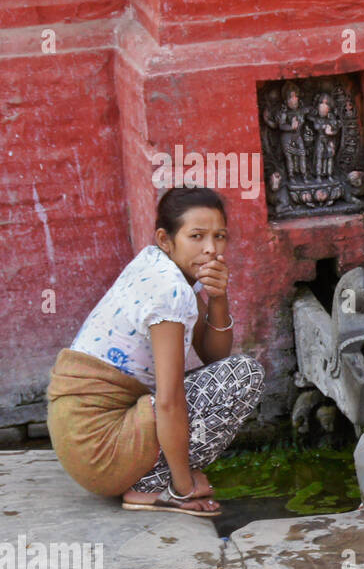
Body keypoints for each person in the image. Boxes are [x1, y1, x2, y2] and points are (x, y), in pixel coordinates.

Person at [46, 187, 264, 517]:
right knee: (244, 376)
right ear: (166, 239)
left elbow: (214, 357)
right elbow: (169, 399)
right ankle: (157, 488)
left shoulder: (159, 264)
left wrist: (219, 298)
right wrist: (182, 487)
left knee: (225, 375)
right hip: (98, 448)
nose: (211, 249)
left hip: (78, 440)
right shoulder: (170, 290)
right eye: (197, 236)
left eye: (220, 236)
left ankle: (154, 479)